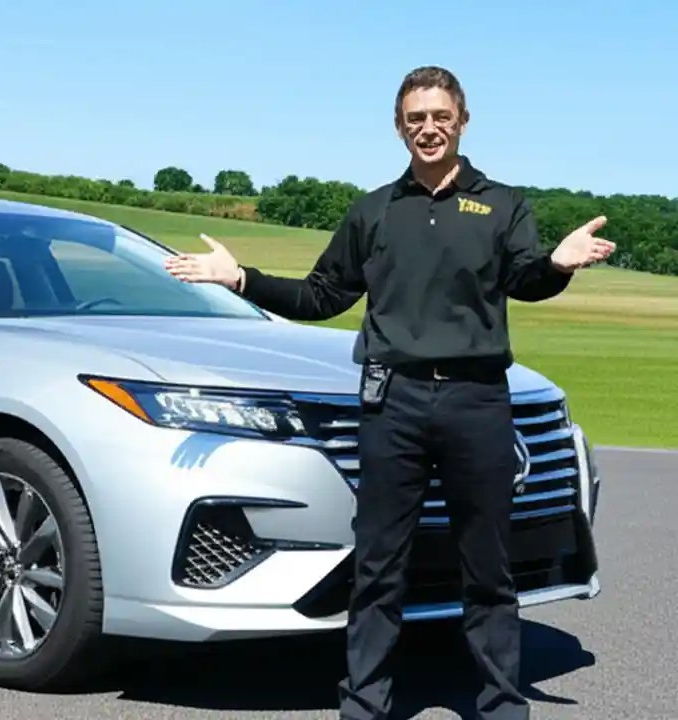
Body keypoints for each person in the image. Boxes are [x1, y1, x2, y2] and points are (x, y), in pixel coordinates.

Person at [163, 65, 615, 720]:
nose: (428, 129)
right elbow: (320, 295)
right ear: (399, 127)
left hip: (477, 401)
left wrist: (557, 265)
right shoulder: (374, 210)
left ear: (462, 120)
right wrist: (241, 280)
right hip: (392, 403)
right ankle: (365, 706)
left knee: (486, 568)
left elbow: (526, 279)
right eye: (415, 119)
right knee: (379, 568)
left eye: (439, 116)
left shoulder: (502, 204)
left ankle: (500, 707)